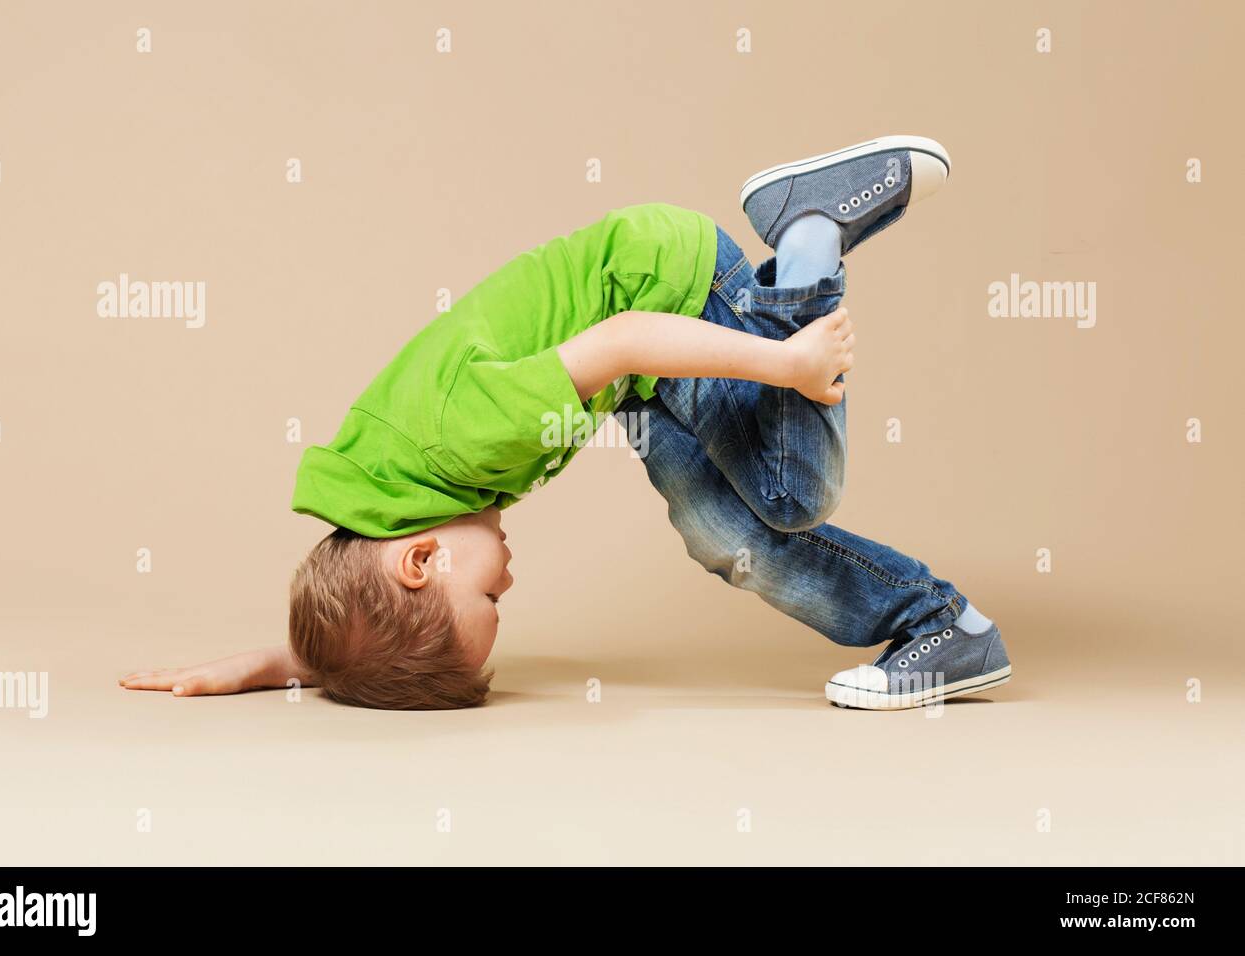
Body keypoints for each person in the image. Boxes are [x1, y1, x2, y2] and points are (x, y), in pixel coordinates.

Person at [120, 136, 1011, 711]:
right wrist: (302, 660)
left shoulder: (461, 437)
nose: (510, 579)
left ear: (424, 558)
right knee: (728, 539)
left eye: (492, 598)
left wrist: (791, 364)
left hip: (666, 293)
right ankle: (949, 637)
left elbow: (623, 340)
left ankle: (807, 236)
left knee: (790, 492)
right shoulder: (385, 499)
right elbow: (373, 608)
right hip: (636, 379)